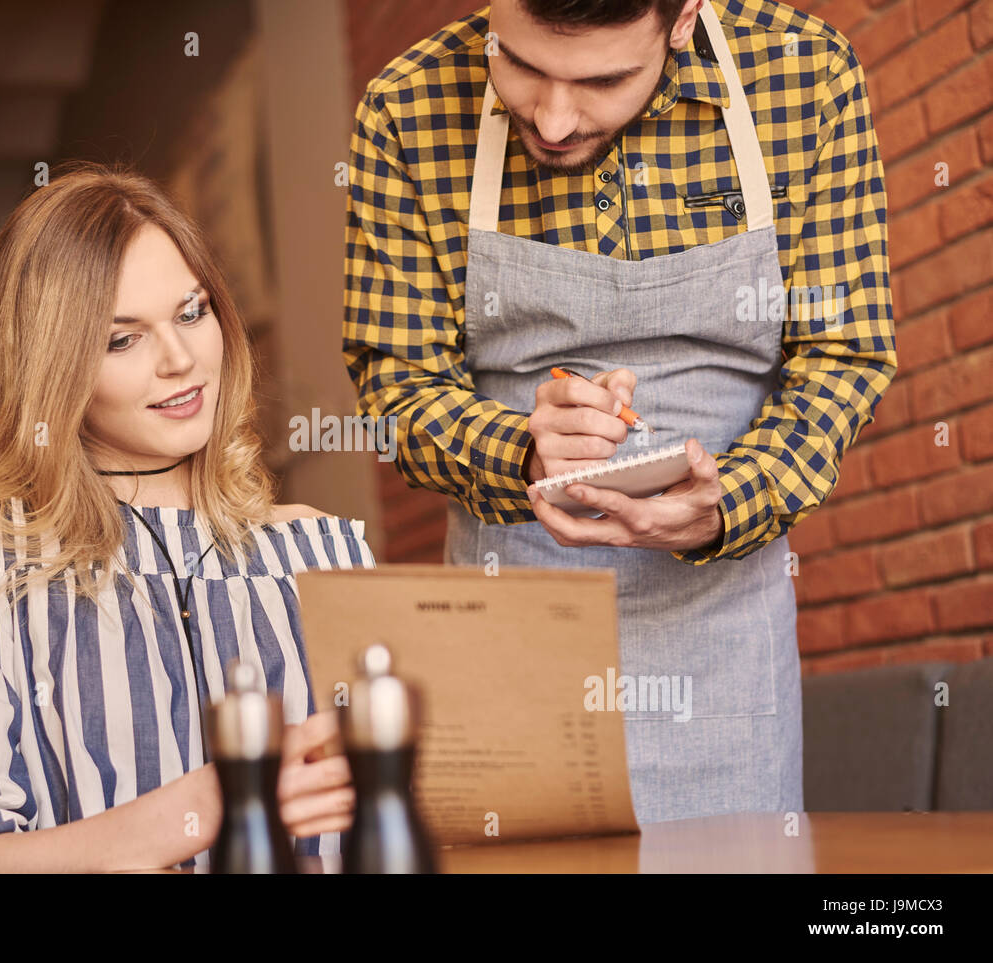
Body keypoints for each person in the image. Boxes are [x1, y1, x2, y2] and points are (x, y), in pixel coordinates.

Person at [344, 0, 894, 822]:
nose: (555, 119)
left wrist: (726, 504)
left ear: (683, 20)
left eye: (603, 79)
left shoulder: (806, 74)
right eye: (522, 67)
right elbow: (395, 385)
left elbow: (844, 353)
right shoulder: (405, 106)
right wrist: (521, 448)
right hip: (513, 632)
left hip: (722, 638)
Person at [0, 162, 374, 873]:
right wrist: (216, 800)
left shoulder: (320, 550)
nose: (181, 359)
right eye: (123, 339)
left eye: (192, 311)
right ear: (54, 370)